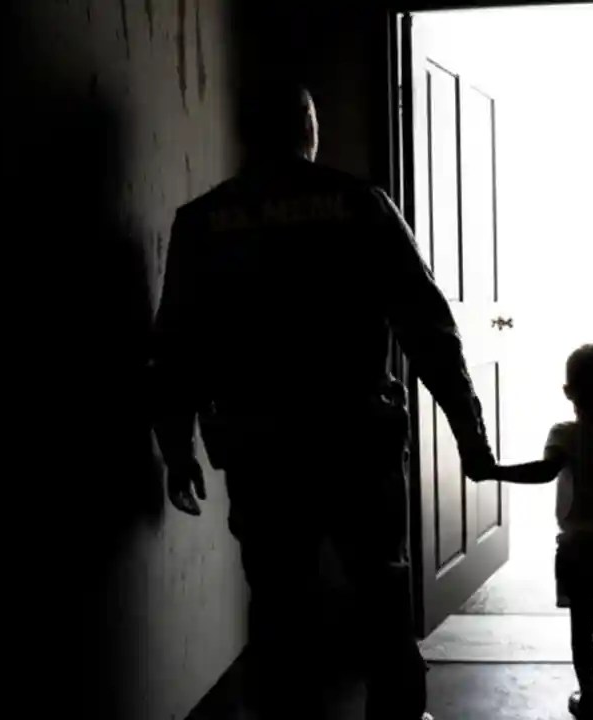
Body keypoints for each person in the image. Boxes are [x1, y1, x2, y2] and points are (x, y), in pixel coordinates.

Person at [153, 84, 497, 720]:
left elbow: (178, 346)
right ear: (308, 127)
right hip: (355, 441)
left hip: (261, 447)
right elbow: (429, 329)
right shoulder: (358, 205)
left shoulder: (203, 221)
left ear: (244, 134)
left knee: (279, 609)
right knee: (383, 599)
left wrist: (176, 444)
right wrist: (470, 437)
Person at [485, 322, 593, 719]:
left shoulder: (563, 434)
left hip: (578, 546)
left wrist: (495, 471)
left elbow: (543, 472)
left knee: (582, 620)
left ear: (567, 392)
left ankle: (587, 696)